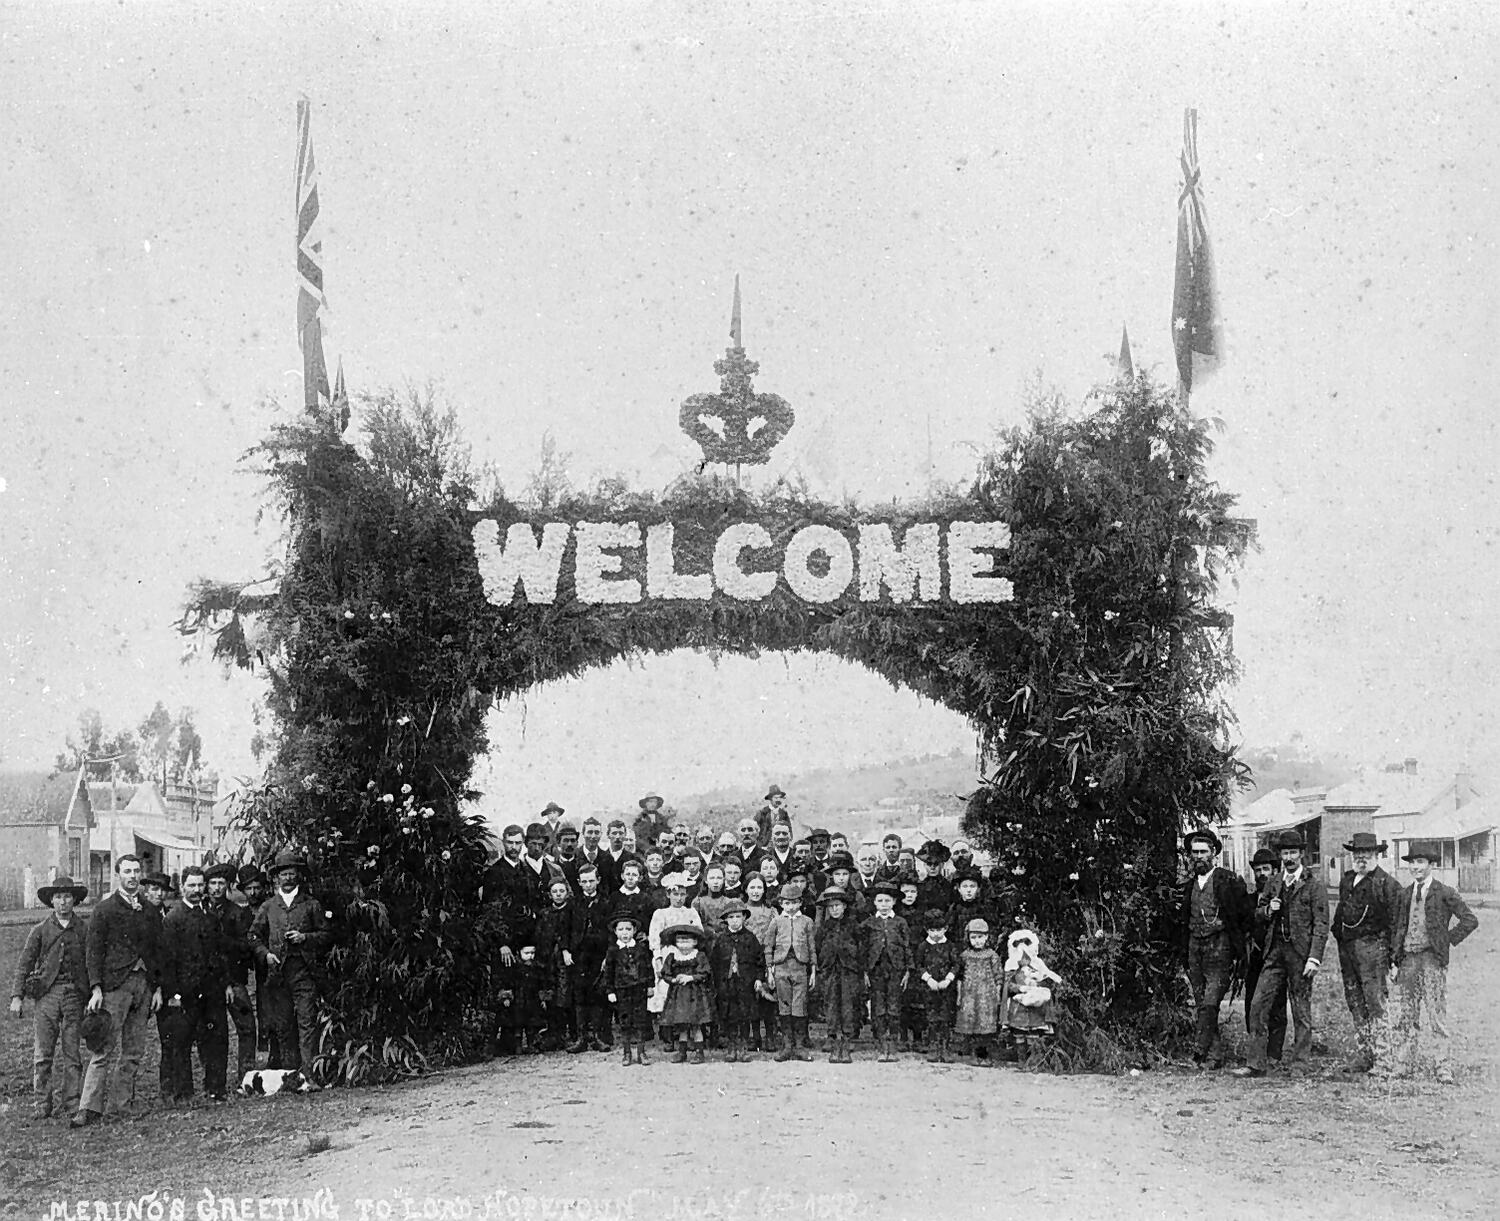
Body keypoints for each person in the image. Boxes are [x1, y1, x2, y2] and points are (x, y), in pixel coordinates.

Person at [75, 854, 162, 1128]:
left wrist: (158, 988)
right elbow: (93, 952)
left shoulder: (149, 910)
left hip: (144, 986)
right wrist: (96, 988)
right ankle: (88, 1109)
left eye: (137, 871)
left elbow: (158, 952)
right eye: (127, 871)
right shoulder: (105, 909)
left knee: (134, 1051)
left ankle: (120, 1107)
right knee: (103, 1049)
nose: (133, 876)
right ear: (118, 875)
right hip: (115, 986)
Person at [1233, 830, 1328, 1079]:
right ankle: (1256, 1062)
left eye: (1293, 853)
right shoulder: (1274, 883)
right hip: (1274, 953)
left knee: (1300, 1009)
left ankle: (1300, 1062)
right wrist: (1268, 911)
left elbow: (1321, 924)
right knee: (1258, 1005)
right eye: (1285, 853)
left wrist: (1314, 958)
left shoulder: (1313, 885)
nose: (1289, 858)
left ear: (1301, 854)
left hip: (1300, 954)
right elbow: (1258, 913)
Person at [1384, 846, 1478, 1084]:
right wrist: (1395, 959)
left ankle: (1442, 1067)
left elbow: (1470, 920)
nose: (1415, 867)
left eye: (1420, 862)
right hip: (1407, 960)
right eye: (1412, 862)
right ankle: (1404, 1064)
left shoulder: (1444, 892)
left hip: (1432, 961)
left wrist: (1447, 940)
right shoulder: (1404, 894)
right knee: (1407, 1014)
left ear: (1431, 864)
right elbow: (1397, 927)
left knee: (1436, 1015)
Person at [10, 874, 90, 1122]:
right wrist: (17, 996)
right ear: (51, 901)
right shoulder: (40, 931)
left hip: (74, 995)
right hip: (46, 995)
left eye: (68, 896)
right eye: (58, 897)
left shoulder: (84, 929)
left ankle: (72, 1101)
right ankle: (41, 1102)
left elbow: (92, 962)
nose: (63, 902)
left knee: (72, 1052)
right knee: (43, 1053)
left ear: (74, 901)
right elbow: (24, 965)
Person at [248, 850, 331, 1086]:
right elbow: (253, 936)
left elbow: (326, 935)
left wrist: (304, 937)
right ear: (276, 878)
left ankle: (310, 1075)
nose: (287, 878)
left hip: (304, 972)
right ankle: (289, 1076)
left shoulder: (311, 905)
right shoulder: (268, 906)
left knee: (307, 1022)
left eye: (291, 873)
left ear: (298, 875)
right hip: (278, 974)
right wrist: (266, 954)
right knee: (283, 1025)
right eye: (283, 874)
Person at [1330, 831, 1403, 1073]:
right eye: (1358, 854)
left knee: (1376, 1004)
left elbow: (1396, 923)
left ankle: (1384, 1060)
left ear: (1376, 856)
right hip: (1348, 951)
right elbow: (1341, 911)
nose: (1362, 858)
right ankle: (1366, 1056)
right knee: (1355, 1003)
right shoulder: (1347, 880)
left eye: (1367, 854)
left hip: (1374, 950)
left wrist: (1393, 957)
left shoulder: (1387, 884)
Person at [1177, 828, 1249, 1070]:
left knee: (1210, 1002)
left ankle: (1199, 1050)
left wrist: (1239, 948)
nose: (1198, 856)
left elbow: (1243, 917)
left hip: (1220, 948)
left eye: (1203, 852)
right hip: (1194, 948)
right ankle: (1214, 1056)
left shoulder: (1228, 881)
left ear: (1214, 854)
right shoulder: (1188, 886)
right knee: (1201, 1002)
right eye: (1194, 852)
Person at [159, 865, 230, 1103]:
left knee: (215, 1040)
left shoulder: (210, 917)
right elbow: (168, 961)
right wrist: (174, 995)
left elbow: (219, 955)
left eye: (200, 885)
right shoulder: (173, 918)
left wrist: (224, 984)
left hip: (211, 991)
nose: (197, 890)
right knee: (181, 1042)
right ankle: (183, 1092)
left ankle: (215, 1088)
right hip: (184, 993)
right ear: (182, 888)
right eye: (192, 885)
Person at [205, 862, 256, 1082]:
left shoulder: (238, 913)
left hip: (234, 980)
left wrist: (222, 943)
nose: (216, 888)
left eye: (220, 884)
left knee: (247, 1028)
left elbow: (245, 946)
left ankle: (246, 1077)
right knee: (213, 1032)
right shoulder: (200, 911)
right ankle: (214, 1080)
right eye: (212, 883)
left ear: (227, 886)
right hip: (208, 982)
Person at [1241, 847, 1288, 1066]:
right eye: (1258, 870)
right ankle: (1256, 1051)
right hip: (1254, 958)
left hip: (1276, 955)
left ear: (1275, 870)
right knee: (1253, 1002)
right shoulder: (1250, 899)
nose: (1262, 874)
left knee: (1277, 1004)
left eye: (1266, 869)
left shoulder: (1283, 895)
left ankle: (1274, 1053)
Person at [861, 881, 912, 1062]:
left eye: (887, 901)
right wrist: (865, 972)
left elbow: (907, 947)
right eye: (880, 901)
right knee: (878, 1007)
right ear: (874, 903)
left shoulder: (900, 922)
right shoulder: (868, 923)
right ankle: (881, 1044)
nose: (884, 904)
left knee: (894, 1007)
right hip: (876, 970)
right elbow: (864, 949)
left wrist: (907, 970)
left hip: (895, 970)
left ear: (893, 902)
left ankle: (892, 1044)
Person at [764, 880, 814, 1061]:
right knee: (784, 1005)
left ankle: (800, 1046)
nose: (791, 906)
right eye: (787, 903)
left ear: (800, 902)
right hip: (781, 968)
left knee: (799, 1006)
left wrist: (813, 970)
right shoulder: (776, 922)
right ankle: (787, 1046)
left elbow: (812, 947)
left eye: (794, 902)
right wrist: (770, 971)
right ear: (781, 903)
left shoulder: (807, 922)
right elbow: (768, 947)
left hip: (800, 968)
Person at [566, 864, 614, 1053]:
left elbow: (611, 931)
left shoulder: (606, 903)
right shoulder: (573, 903)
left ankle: (596, 1036)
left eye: (591, 881)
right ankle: (581, 1037)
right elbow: (565, 928)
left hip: (598, 954)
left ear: (598, 880)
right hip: (578, 955)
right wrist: (565, 950)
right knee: (579, 994)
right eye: (584, 881)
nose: (588, 885)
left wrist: (608, 955)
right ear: (578, 883)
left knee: (597, 994)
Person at [709, 903, 764, 1062]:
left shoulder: (750, 937)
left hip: (745, 983)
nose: (734, 921)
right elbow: (715, 962)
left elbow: (759, 960)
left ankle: (743, 1046)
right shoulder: (721, 939)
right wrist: (716, 983)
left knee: (745, 1014)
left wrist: (759, 979)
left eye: (738, 917)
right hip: (726, 984)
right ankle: (731, 1046)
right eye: (731, 917)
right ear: (726, 920)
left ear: (744, 918)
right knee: (729, 1015)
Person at [814, 887, 863, 1064]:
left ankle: (847, 1039)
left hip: (849, 970)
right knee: (831, 1002)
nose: (835, 909)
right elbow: (818, 948)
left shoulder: (853, 926)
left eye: (838, 905)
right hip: (830, 970)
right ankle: (833, 1037)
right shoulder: (824, 928)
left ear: (844, 907)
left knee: (848, 1004)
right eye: (831, 906)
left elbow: (861, 948)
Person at [1001, 928, 1062, 1059]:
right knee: (1020, 1034)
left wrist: (1037, 983)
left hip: (1035, 1006)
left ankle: (1033, 1059)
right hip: (1018, 1007)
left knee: (1033, 1034)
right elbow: (1008, 986)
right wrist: (1021, 988)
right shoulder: (1011, 967)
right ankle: (1021, 1059)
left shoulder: (1038, 965)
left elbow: (1047, 979)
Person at [602, 915, 654, 1065]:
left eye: (628, 929)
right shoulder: (613, 950)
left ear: (634, 930)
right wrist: (610, 991)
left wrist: (650, 985)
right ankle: (626, 1053)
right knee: (625, 1021)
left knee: (640, 1020)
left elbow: (648, 968)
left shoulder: (641, 948)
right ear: (615, 932)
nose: (625, 933)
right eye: (621, 929)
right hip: (622, 990)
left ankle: (641, 1052)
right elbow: (609, 972)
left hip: (639, 989)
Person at [659, 926, 713, 1063]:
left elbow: (705, 972)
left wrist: (691, 978)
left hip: (695, 994)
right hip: (678, 995)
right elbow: (665, 973)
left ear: (695, 942)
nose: (683, 945)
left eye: (687, 941)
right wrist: (673, 979)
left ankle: (699, 1052)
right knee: (681, 1024)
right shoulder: (672, 957)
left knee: (696, 1024)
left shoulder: (699, 956)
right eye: (680, 941)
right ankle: (682, 1052)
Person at [533, 878, 576, 1050]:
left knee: (566, 996)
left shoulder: (572, 911)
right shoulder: (545, 914)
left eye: (561, 891)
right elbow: (540, 936)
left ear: (567, 893)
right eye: (555, 892)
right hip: (548, 959)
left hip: (566, 960)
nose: (558, 895)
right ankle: (554, 1034)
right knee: (550, 995)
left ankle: (571, 1033)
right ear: (550, 894)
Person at [955, 918, 1004, 1065]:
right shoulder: (964, 955)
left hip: (986, 996)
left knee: (986, 1024)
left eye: (980, 937)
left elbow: (998, 976)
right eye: (973, 937)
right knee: (971, 1023)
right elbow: (960, 977)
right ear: (968, 938)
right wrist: (959, 995)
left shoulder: (992, 955)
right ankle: (973, 1055)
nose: (977, 941)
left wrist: (997, 993)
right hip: (969, 995)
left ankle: (985, 1055)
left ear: (987, 937)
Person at [915, 908, 959, 1064]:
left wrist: (948, 980)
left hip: (947, 989)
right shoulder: (923, 946)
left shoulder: (950, 946)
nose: (935, 934)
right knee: (932, 1018)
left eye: (939, 930)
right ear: (927, 930)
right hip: (930, 988)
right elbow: (918, 965)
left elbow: (956, 965)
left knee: (946, 1017)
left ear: (945, 929)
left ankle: (946, 1048)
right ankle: (933, 1047)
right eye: (932, 930)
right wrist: (929, 980)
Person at [741, 875, 778, 1052]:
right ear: (746, 889)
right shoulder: (742, 910)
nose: (756, 892)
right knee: (751, 999)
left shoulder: (771, 911)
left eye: (759, 888)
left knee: (768, 997)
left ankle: (769, 1035)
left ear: (764, 890)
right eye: (752, 888)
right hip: (748, 960)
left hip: (768, 957)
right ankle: (754, 1036)